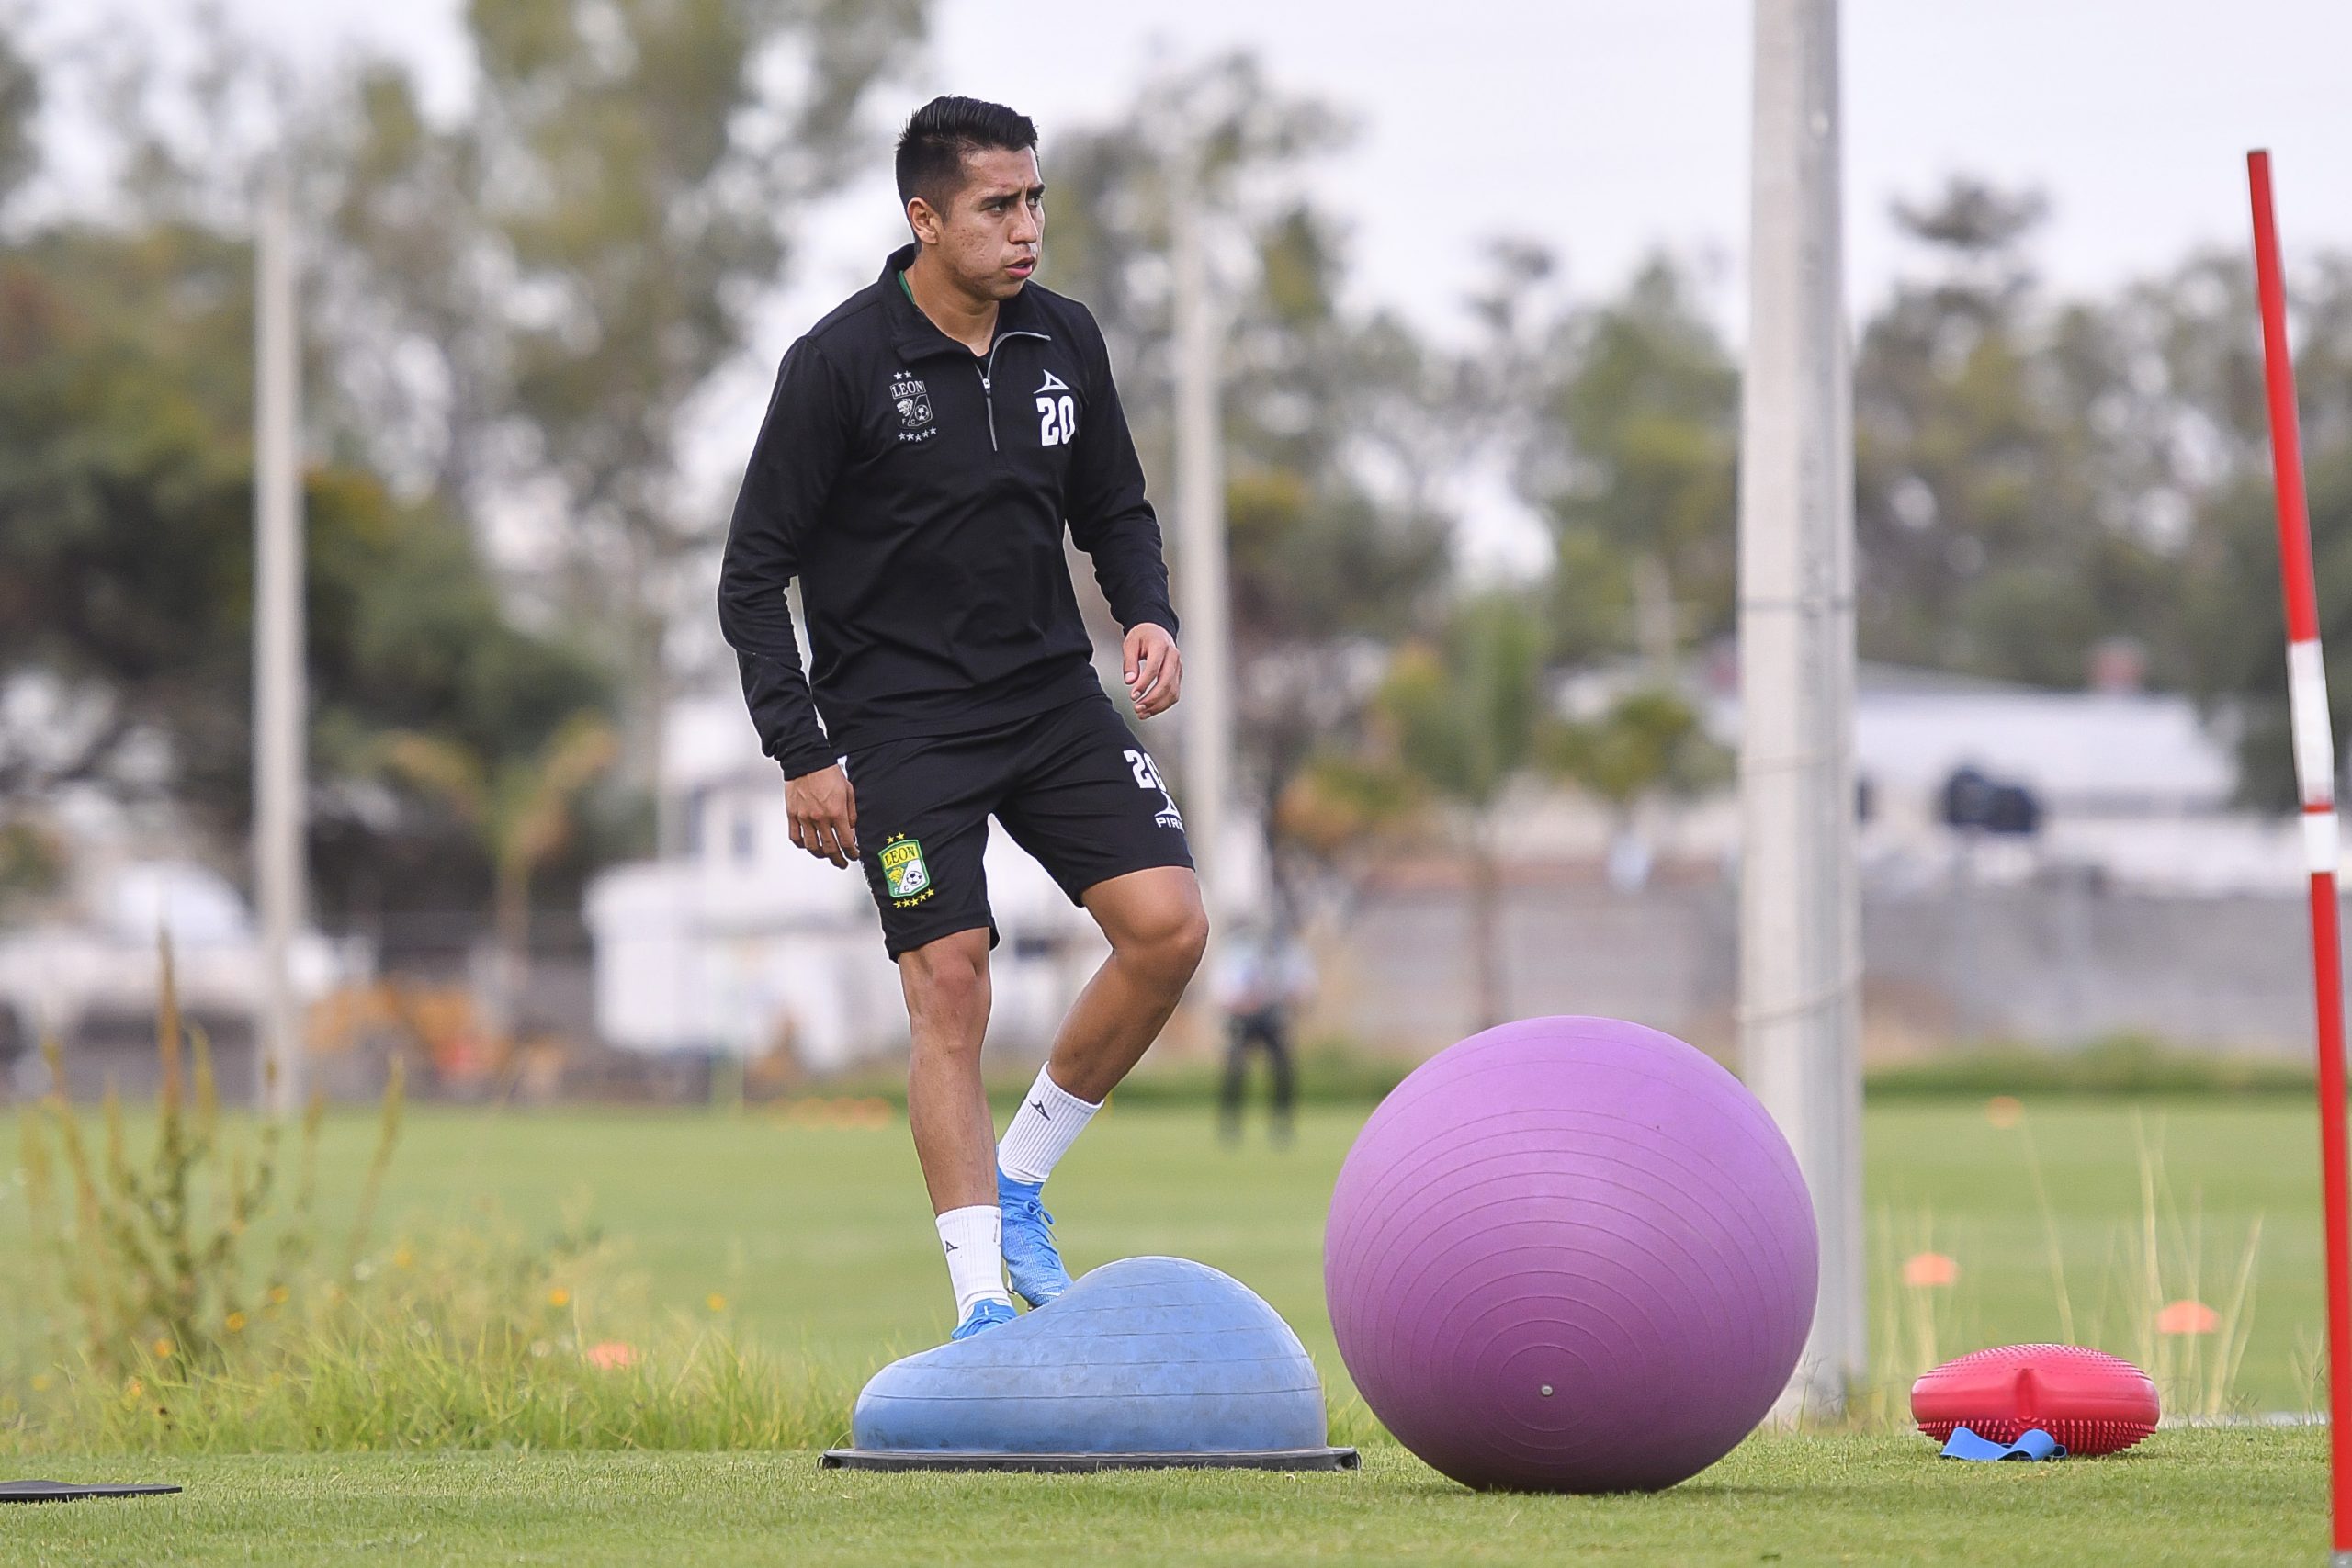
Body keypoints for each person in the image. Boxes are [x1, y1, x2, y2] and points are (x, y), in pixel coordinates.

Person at [716, 96, 1205, 1343]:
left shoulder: (1066, 341)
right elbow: (751, 573)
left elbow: (1117, 508)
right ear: (925, 219)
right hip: (899, 725)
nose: (1027, 226)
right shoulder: (837, 365)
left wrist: (1146, 613)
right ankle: (982, 1301)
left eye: (1036, 199)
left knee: (1170, 928)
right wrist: (803, 751)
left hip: (1050, 697)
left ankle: (1027, 1178)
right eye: (999, 205)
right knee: (951, 980)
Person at [1215, 922, 1315, 1146]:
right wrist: (1243, 1003)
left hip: (1274, 1015)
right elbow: (1224, 988)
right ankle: (1231, 1123)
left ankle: (1281, 1123)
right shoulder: (1236, 950)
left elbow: (1302, 987)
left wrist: (1288, 1000)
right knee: (1236, 1070)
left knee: (1283, 1070)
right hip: (1245, 1017)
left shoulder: (1288, 951)